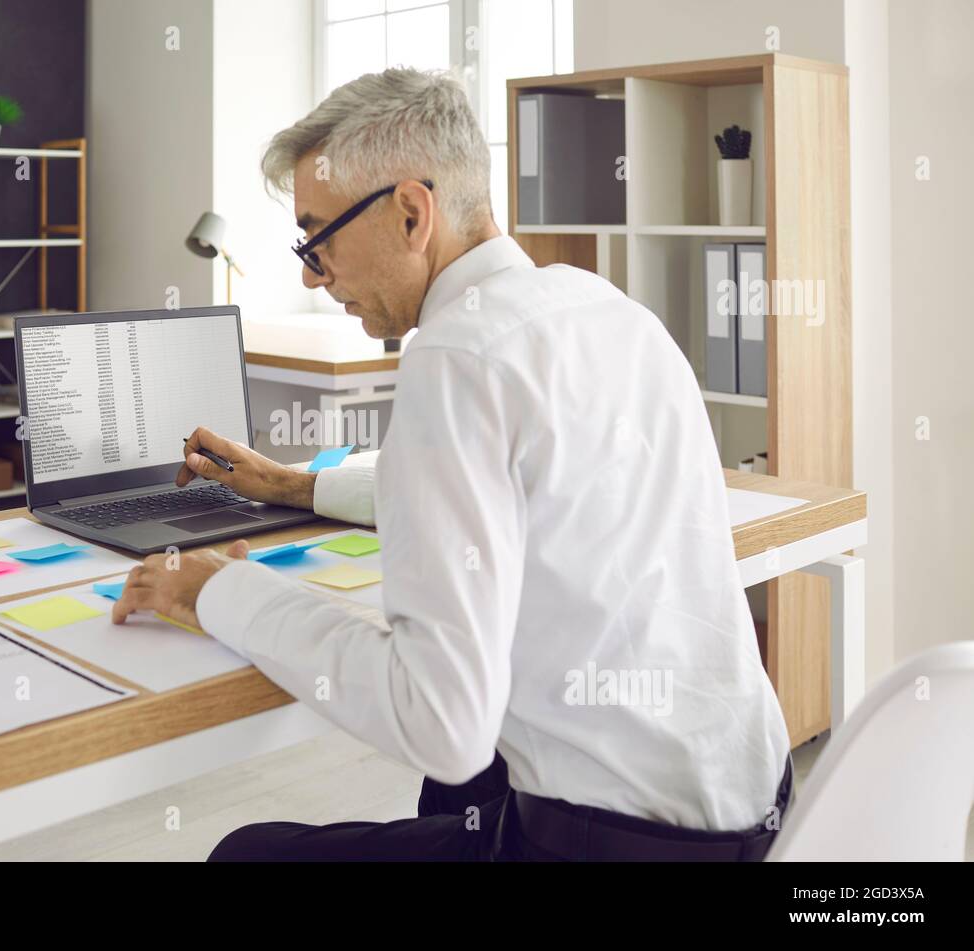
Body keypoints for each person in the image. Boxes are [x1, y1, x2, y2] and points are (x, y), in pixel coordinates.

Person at [110, 67, 792, 861]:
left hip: (613, 844)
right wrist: (296, 485)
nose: (308, 273)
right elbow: (519, 495)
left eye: (316, 237)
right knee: (463, 797)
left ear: (409, 212)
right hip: (756, 808)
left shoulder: (455, 355)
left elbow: (441, 723)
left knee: (248, 852)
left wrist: (224, 590)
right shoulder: (607, 311)